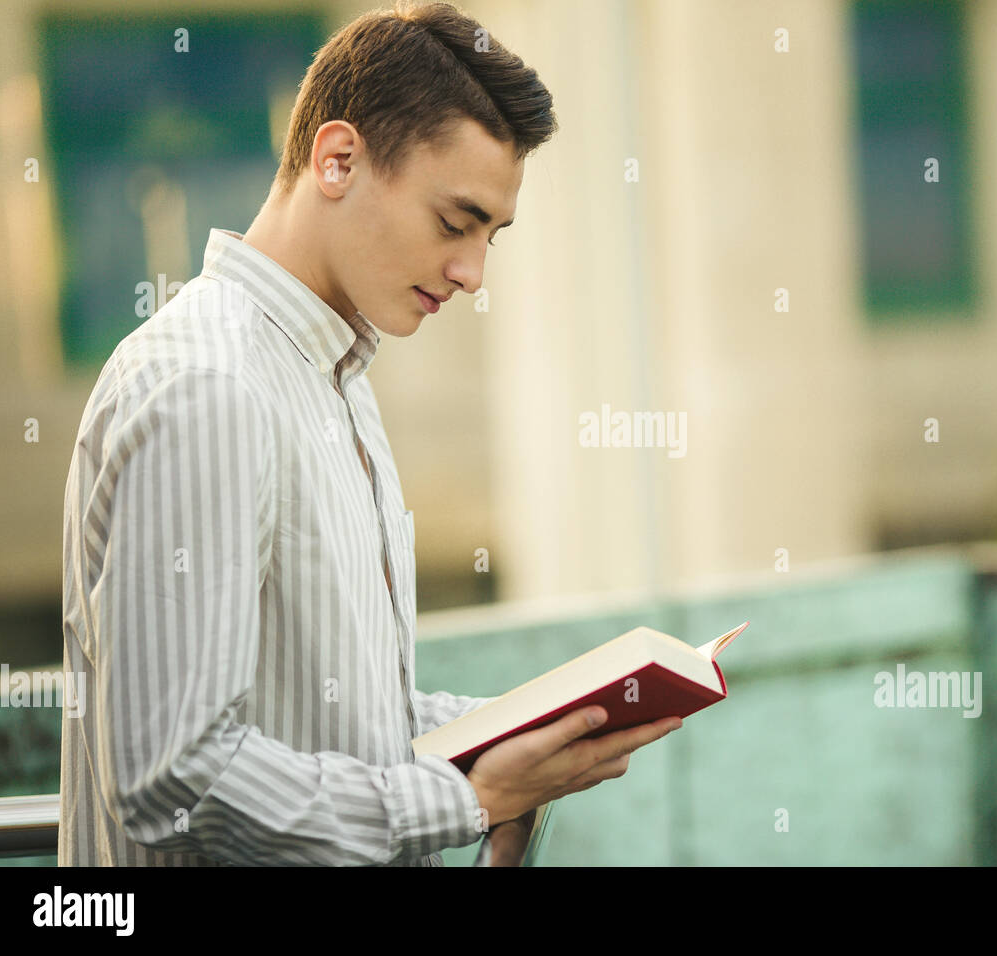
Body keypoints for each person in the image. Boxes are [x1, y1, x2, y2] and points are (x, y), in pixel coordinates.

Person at [59, 0, 681, 868]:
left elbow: (332, 716)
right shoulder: (208, 386)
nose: (472, 273)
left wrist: (510, 738)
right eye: (454, 223)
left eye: (491, 236)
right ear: (338, 158)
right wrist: (467, 797)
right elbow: (176, 773)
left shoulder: (333, 375)